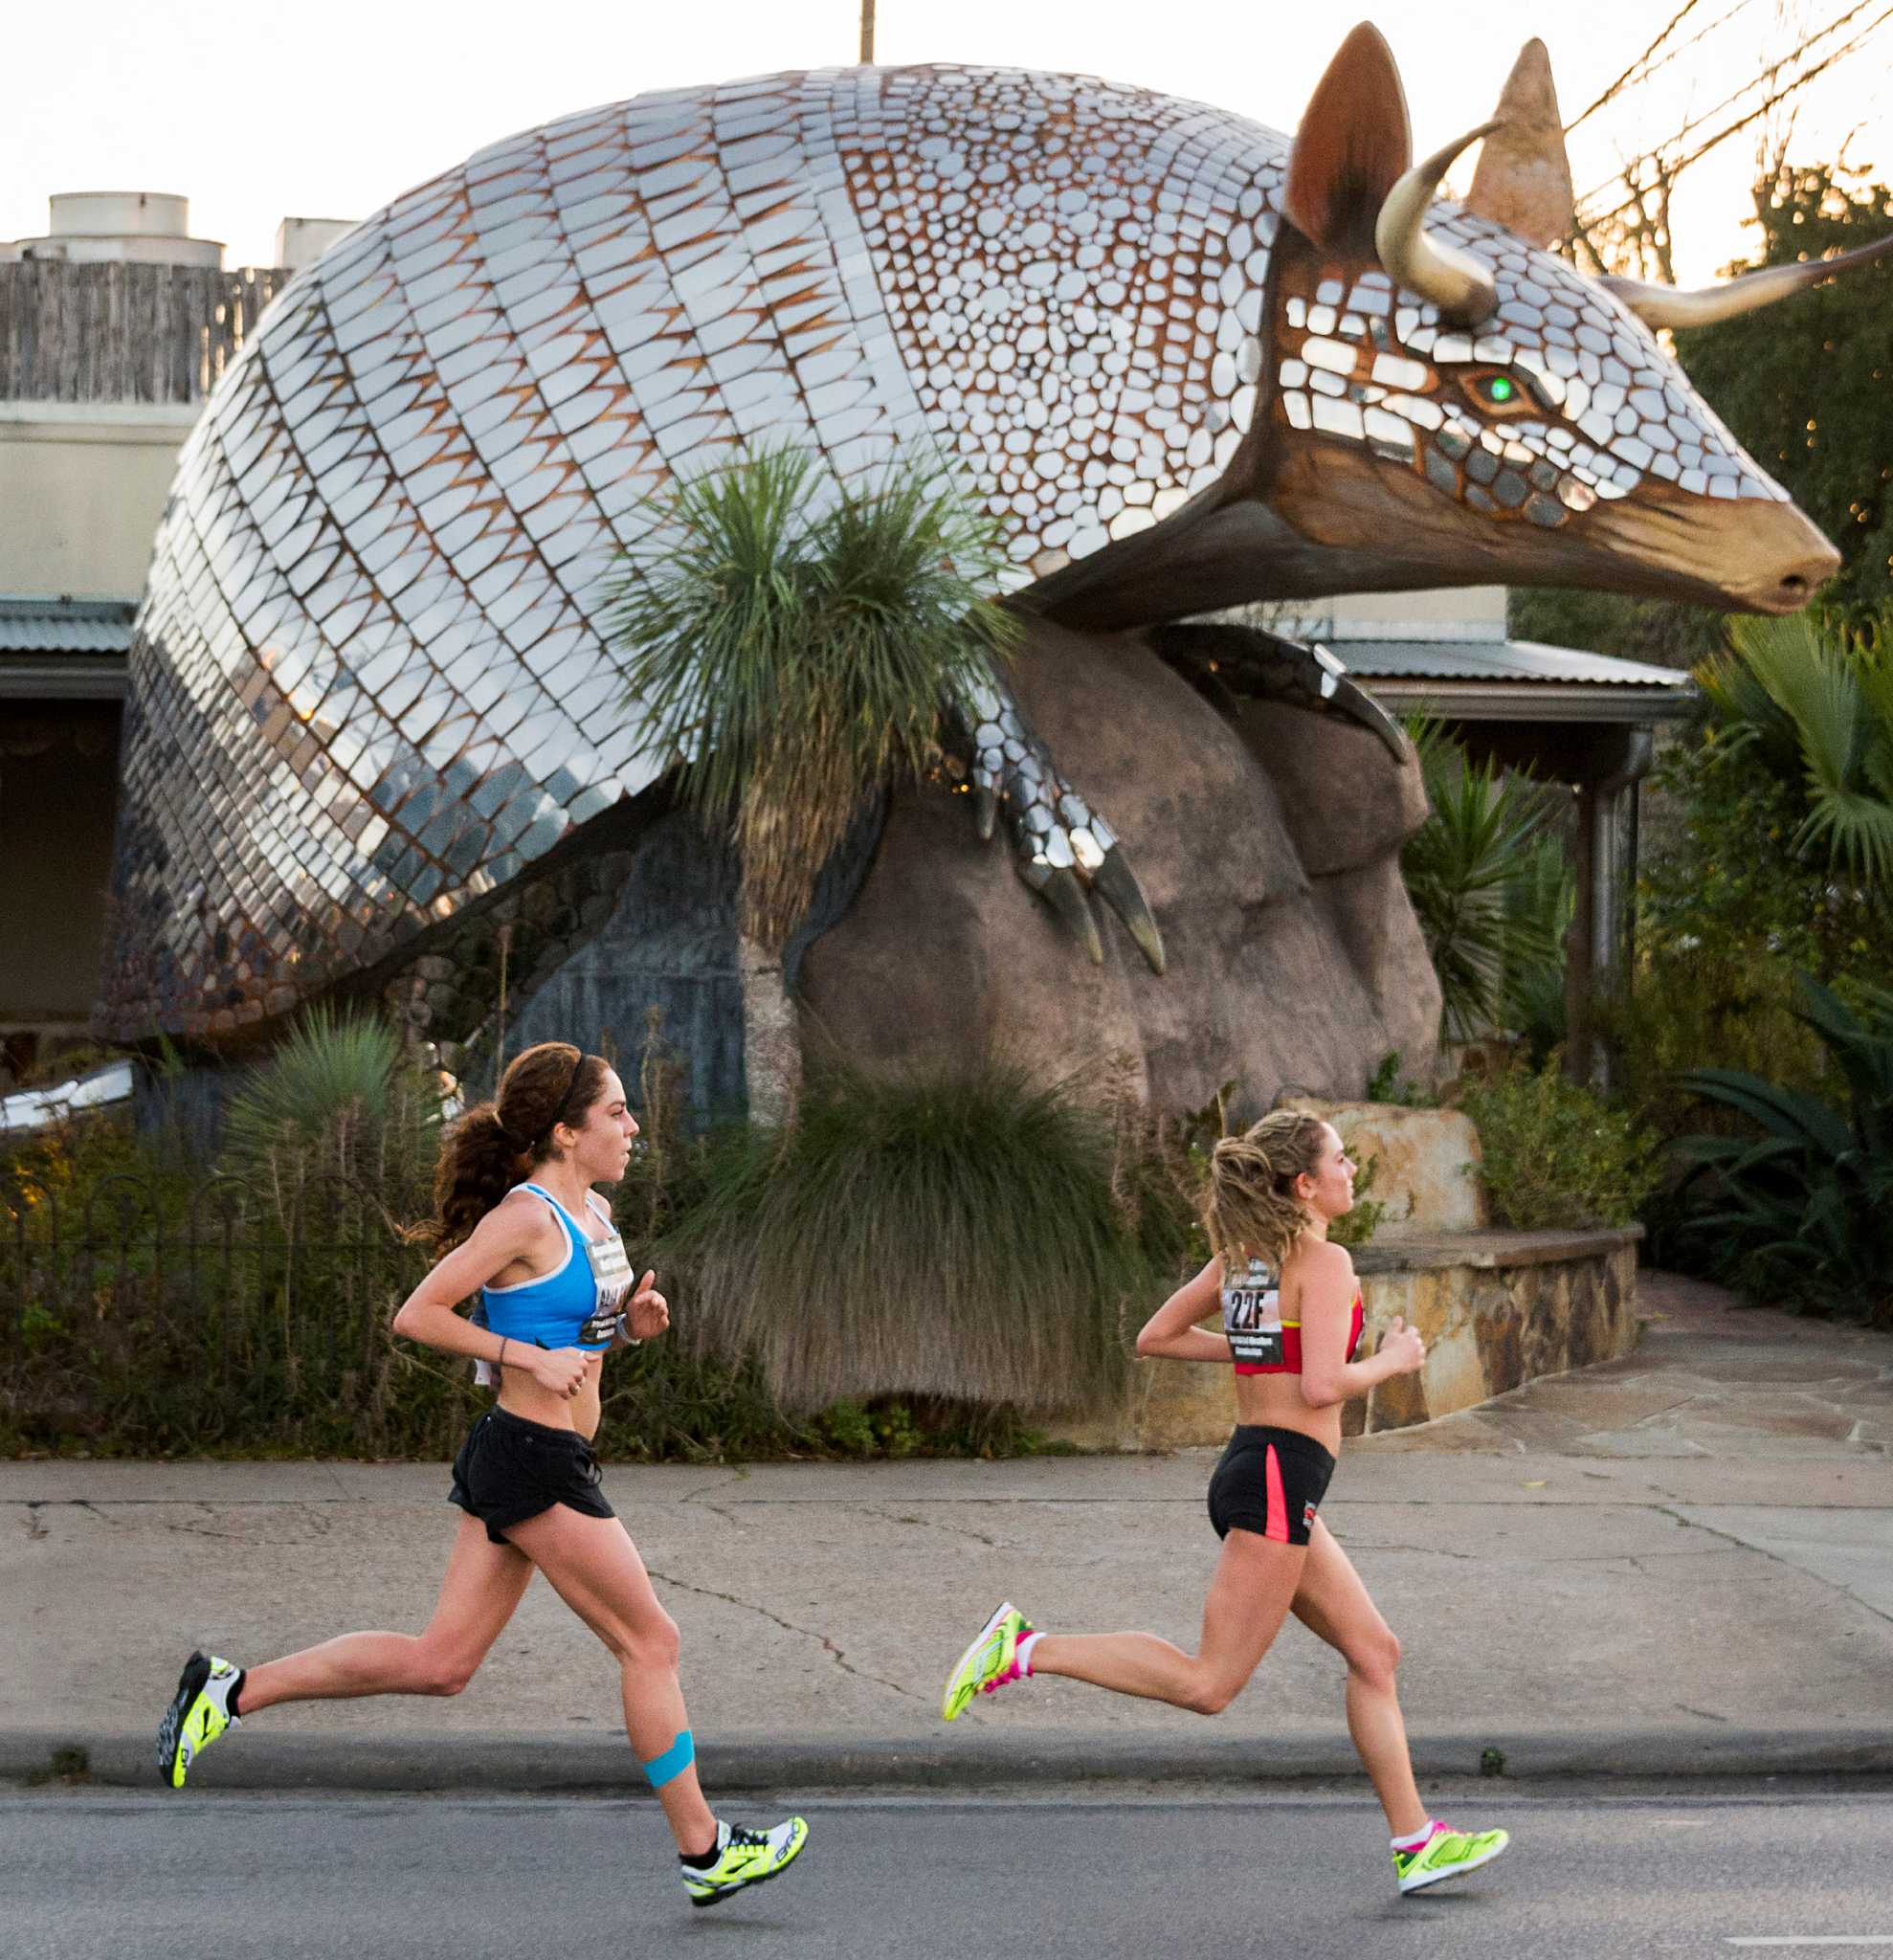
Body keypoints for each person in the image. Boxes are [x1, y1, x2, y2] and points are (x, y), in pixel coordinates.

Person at [154, 1040, 809, 1909]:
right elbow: (418, 1314)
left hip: (536, 1456)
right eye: (617, 1112)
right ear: (566, 1132)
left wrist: (629, 1329)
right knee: (651, 1643)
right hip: (532, 1459)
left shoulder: (596, 1216)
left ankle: (231, 1691)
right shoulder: (524, 1218)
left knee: (442, 1664)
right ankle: (705, 1849)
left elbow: (576, 1336)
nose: (633, 1127)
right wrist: (521, 1357)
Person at [940, 1110, 1509, 1897]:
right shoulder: (1325, 1261)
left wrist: (1255, 1349)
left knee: (1375, 1652)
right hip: (1278, 1475)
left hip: (1263, 1469)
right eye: (1340, 1160)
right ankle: (1025, 1648)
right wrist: (1392, 1360)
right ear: (1304, 1184)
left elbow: (1158, 1336)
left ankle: (1417, 1841)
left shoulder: (1243, 1260)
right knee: (1209, 1685)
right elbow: (1321, 1386)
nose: (1351, 1171)